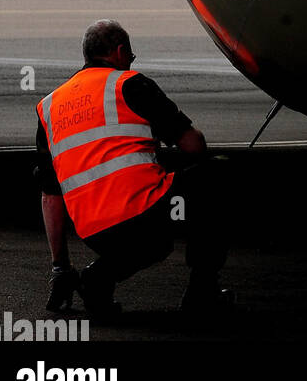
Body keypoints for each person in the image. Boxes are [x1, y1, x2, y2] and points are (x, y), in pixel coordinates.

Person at [35, 18, 231, 320]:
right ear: (120, 51)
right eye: (130, 56)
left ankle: (96, 279)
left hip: (93, 231)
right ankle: (202, 292)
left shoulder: (49, 106)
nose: (130, 62)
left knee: (153, 242)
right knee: (216, 174)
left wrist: (60, 266)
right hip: (142, 217)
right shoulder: (131, 84)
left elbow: (51, 196)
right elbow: (194, 146)